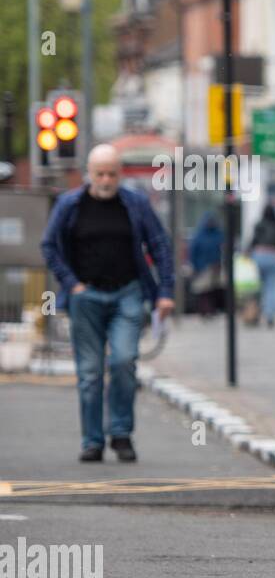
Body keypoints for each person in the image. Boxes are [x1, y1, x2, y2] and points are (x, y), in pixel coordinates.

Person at [40, 143, 175, 463]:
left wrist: (165, 292)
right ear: (89, 173)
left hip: (127, 293)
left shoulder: (136, 204)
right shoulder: (69, 204)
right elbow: (49, 245)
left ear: (120, 174)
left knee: (123, 361)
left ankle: (121, 433)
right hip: (85, 298)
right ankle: (92, 441)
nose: (105, 180)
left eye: (111, 174)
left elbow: (160, 245)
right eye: (99, 173)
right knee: (89, 373)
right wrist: (71, 285)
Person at [247, 204, 275, 327]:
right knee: (272, 288)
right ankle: (270, 315)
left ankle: (254, 314)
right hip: (273, 256)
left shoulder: (259, 225)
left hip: (258, 256)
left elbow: (253, 241)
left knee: (258, 287)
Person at [188, 211, 223, 318]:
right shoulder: (201, 235)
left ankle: (210, 310)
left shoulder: (216, 234)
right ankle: (205, 310)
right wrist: (195, 265)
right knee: (204, 291)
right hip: (203, 266)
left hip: (214, 266)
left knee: (211, 290)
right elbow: (193, 252)